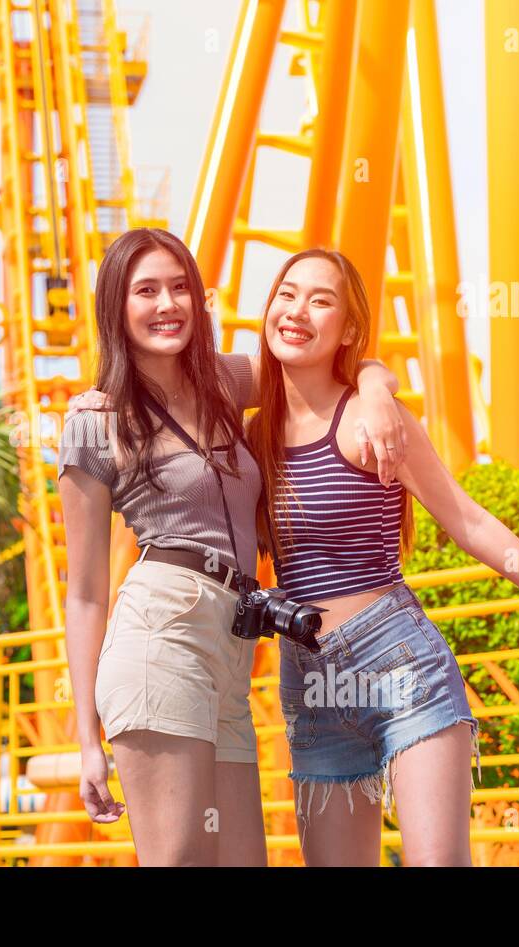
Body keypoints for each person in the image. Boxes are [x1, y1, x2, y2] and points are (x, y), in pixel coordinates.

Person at [245, 248, 519, 866]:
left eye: (320, 299)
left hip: (399, 665)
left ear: (348, 328)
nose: (297, 310)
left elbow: (469, 521)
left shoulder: (370, 422)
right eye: (287, 292)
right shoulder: (251, 437)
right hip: (312, 686)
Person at [57, 228, 406, 865]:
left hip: (233, 647)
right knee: (183, 857)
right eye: (146, 291)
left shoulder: (224, 382)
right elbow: (82, 594)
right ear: (117, 306)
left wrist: (377, 389)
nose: (167, 304)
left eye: (179, 286)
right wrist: (86, 738)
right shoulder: (96, 419)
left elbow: (335, 362)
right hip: (162, 631)